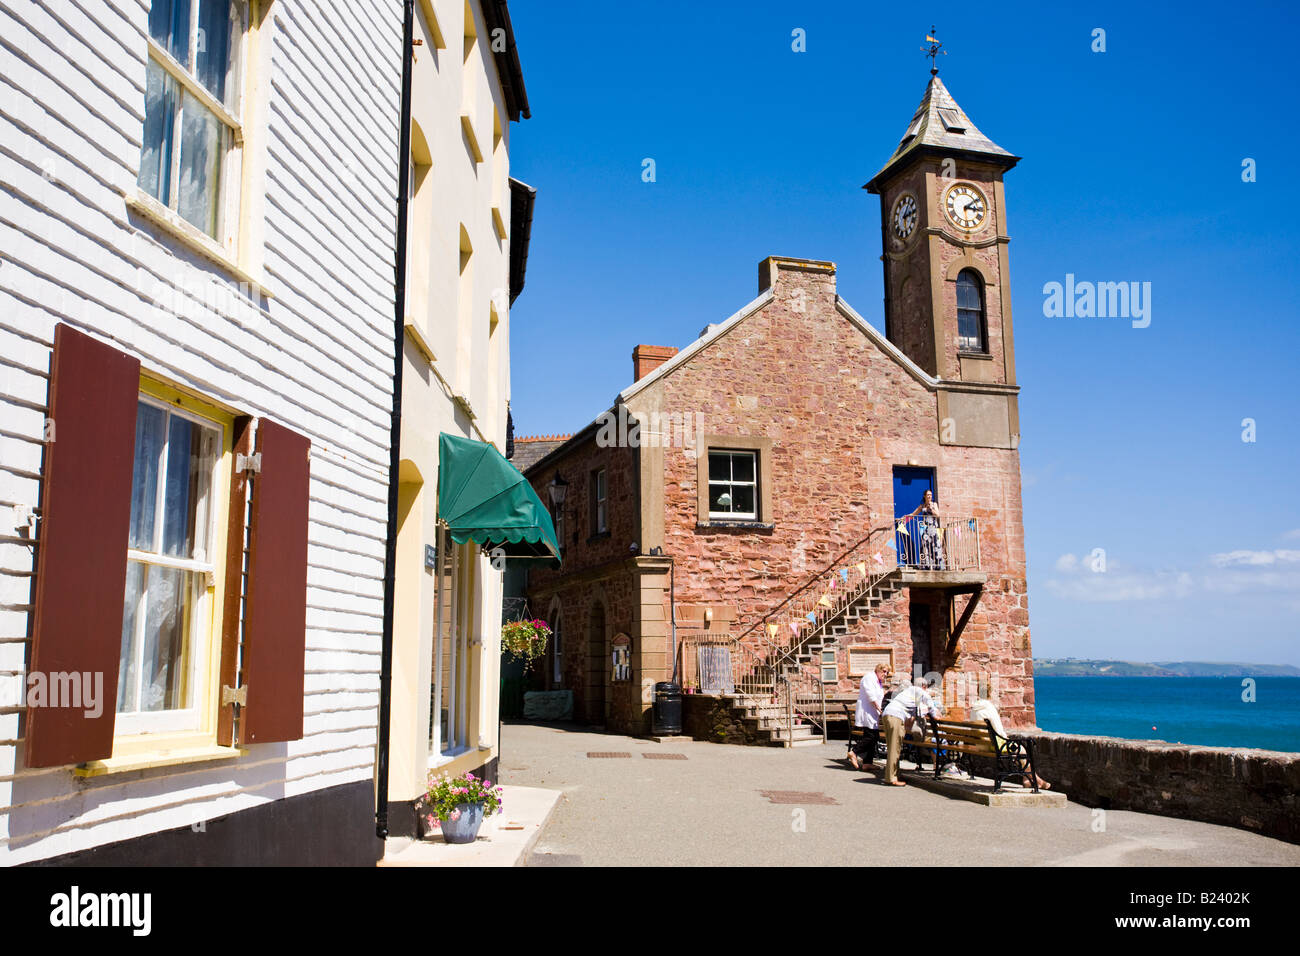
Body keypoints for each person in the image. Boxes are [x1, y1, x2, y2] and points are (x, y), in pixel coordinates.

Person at [970, 698, 1051, 790]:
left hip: (982, 745)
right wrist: (1006, 739)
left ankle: (1030, 780)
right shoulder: (989, 708)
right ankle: (1035, 780)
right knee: (1022, 750)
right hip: (994, 746)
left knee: (1017, 751)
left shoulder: (974, 710)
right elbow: (999, 730)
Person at [880, 677, 940, 786]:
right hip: (895, 716)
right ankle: (891, 778)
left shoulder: (910, 693)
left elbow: (912, 716)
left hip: (888, 714)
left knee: (892, 746)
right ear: (924, 686)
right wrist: (935, 715)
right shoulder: (919, 691)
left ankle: (894, 774)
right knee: (895, 747)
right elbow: (930, 703)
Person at [846, 663, 890, 770]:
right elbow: (871, 695)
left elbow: (879, 695)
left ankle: (867, 763)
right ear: (878, 670)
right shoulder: (869, 677)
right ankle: (854, 751)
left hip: (872, 712)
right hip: (867, 711)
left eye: (887, 672)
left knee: (872, 737)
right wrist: (880, 709)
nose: (886, 674)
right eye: (884, 671)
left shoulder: (877, 681)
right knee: (872, 736)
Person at [904, 490, 946, 570]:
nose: (930, 496)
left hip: (933, 529)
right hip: (926, 529)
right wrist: (904, 517)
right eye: (928, 495)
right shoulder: (922, 506)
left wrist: (931, 509)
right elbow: (913, 514)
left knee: (935, 546)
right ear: (924, 496)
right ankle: (927, 565)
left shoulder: (934, 504)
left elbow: (937, 515)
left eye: (931, 495)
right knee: (925, 547)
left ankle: (938, 566)